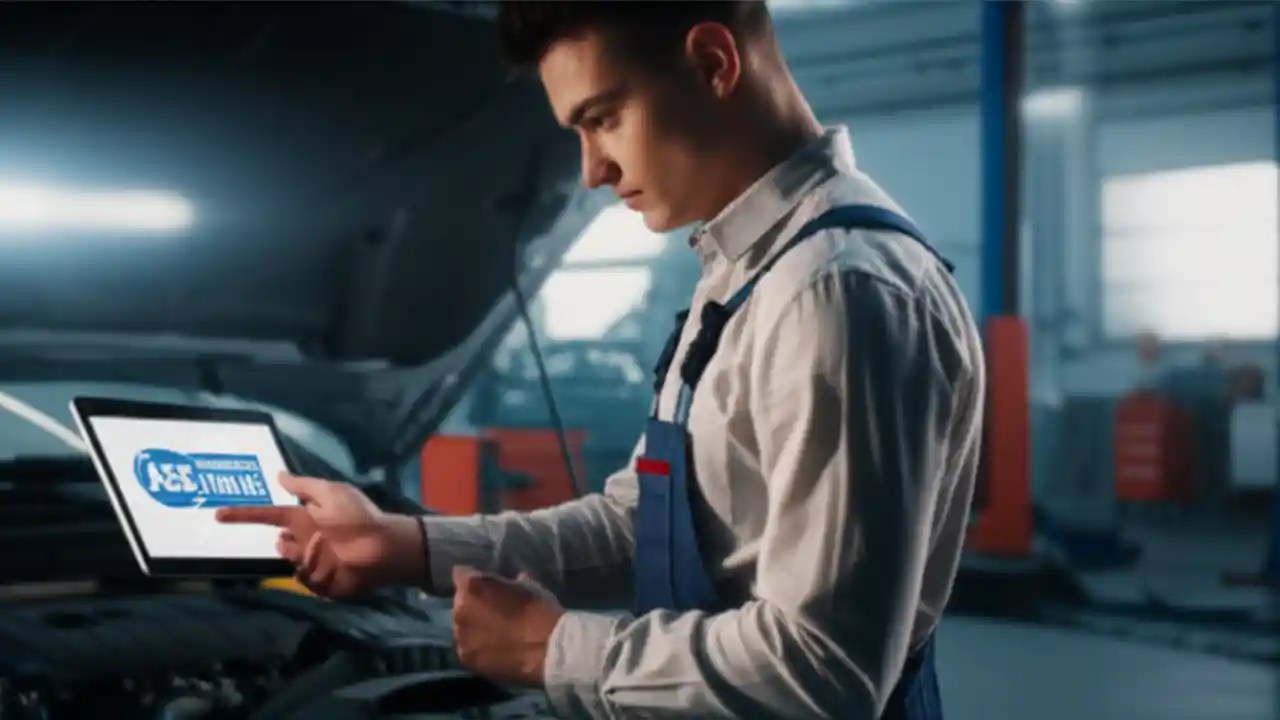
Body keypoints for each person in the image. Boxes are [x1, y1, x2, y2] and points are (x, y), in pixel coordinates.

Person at [218, 3, 986, 718]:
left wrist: (550, 648)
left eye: (604, 118)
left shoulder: (835, 292)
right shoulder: (749, 272)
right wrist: (408, 546)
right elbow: (641, 526)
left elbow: (826, 670)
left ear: (715, 62)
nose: (591, 170)